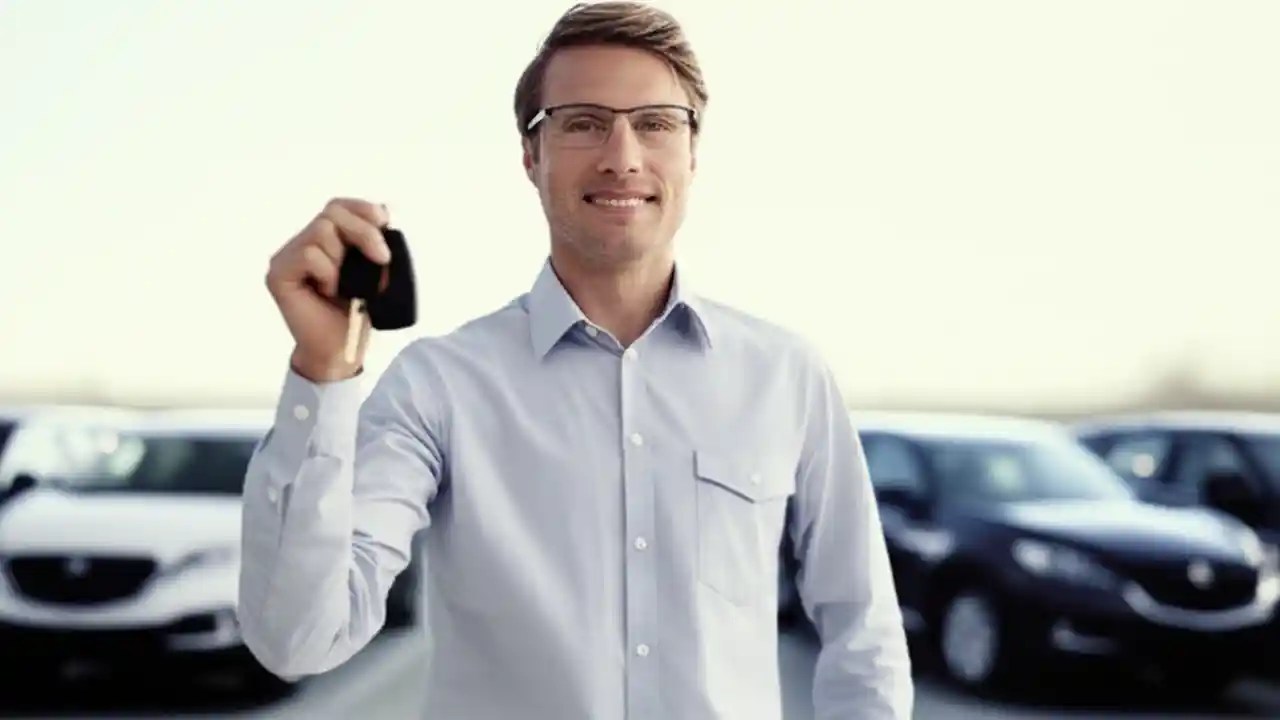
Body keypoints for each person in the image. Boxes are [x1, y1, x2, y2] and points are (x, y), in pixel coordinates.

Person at [237, 2, 913, 718]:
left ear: (693, 152)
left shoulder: (786, 376)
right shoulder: (437, 388)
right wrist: (323, 370)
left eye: (655, 123)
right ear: (531, 155)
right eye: (584, 122)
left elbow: (861, 628)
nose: (622, 156)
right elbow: (298, 643)